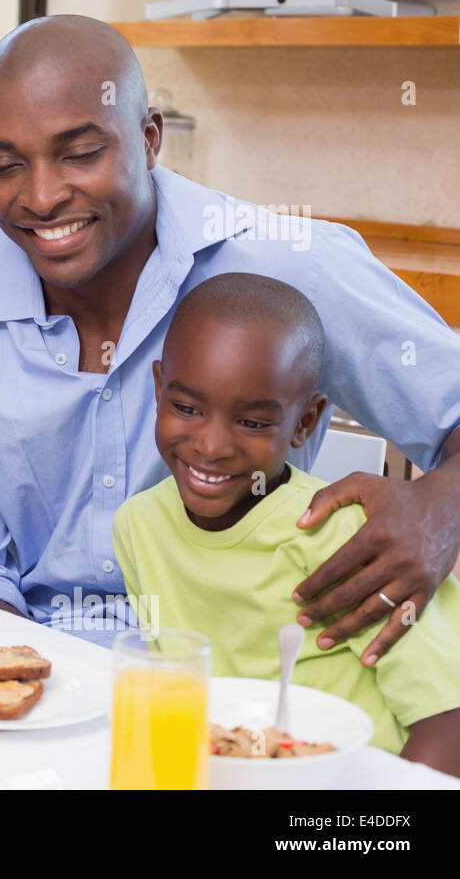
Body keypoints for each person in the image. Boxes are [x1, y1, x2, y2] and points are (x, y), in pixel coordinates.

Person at [0, 14, 460, 656]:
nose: (42, 197)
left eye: (80, 154)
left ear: (149, 136)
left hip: (249, 676)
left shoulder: (288, 264)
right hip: (29, 662)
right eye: (5, 165)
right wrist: (23, 687)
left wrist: (440, 506)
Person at [113, 273, 460, 774]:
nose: (211, 446)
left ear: (306, 421)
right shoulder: (138, 526)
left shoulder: (349, 538)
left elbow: (447, 722)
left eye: (252, 422)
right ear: (159, 387)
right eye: (186, 408)